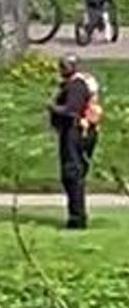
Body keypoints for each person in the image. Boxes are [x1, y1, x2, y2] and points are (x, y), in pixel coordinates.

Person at [48, 57, 102, 230]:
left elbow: (71, 110)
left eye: (64, 66)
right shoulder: (75, 84)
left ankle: (77, 218)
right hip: (77, 132)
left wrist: (53, 108)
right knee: (72, 175)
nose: (61, 69)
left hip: (75, 132)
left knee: (72, 174)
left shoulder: (76, 86)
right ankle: (76, 214)